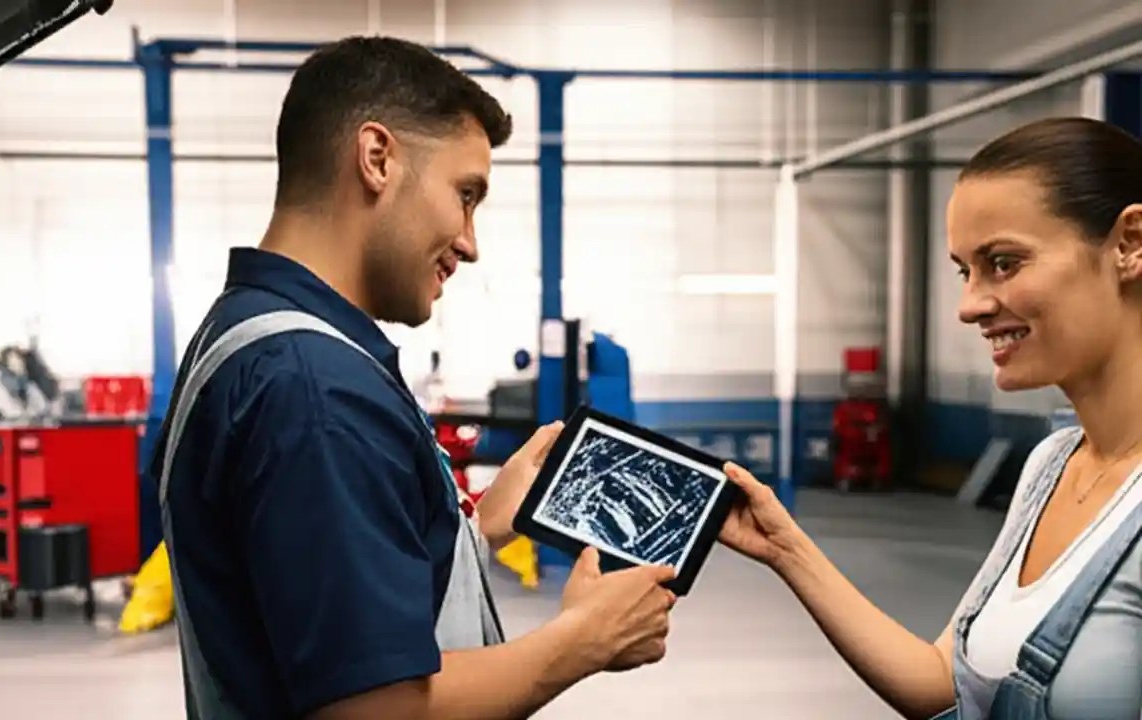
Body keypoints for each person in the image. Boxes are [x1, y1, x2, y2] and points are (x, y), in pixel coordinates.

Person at [149, 36, 677, 720]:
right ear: (377, 159)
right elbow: (373, 709)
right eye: (466, 195)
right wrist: (582, 640)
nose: (470, 241)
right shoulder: (315, 388)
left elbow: (312, 598)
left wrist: (481, 529)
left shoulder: (248, 333)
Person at [718, 115, 1142, 719]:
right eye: (964, 270)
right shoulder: (1049, 466)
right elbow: (941, 683)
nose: (969, 305)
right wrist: (788, 550)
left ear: (1129, 243)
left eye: (1003, 262)